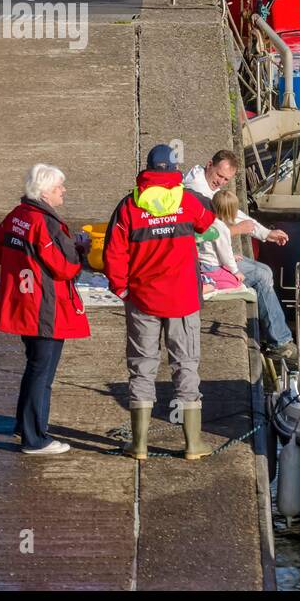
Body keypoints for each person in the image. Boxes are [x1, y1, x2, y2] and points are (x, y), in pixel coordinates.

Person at [103, 145, 217, 461]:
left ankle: (139, 445)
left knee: (141, 369)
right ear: (174, 169)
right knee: (186, 366)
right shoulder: (187, 201)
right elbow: (208, 222)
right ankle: (192, 444)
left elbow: (113, 253)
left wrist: (122, 290)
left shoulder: (129, 207)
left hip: (142, 300)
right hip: (183, 300)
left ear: (148, 169)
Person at [0, 164, 91, 454]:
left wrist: (22, 264)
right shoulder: (45, 223)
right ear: (45, 192)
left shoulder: (17, 215)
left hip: (22, 303)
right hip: (45, 308)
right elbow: (64, 267)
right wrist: (80, 251)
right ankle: (35, 438)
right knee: (42, 372)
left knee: (34, 365)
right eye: (60, 187)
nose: (64, 191)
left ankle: (25, 425)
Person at [183, 150, 299, 367]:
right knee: (262, 274)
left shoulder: (204, 184)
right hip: (202, 262)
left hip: (207, 257)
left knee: (261, 270)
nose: (221, 182)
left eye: (226, 179)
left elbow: (228, 212)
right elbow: (210, 232)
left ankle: (277, 335)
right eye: (219, 175)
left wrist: (264, 233)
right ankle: (280, 342)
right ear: (209, 164)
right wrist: (237, 232)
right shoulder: (196, 192)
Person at [197, 190, 246, 296]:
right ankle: (206, 282)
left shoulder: (206, 219)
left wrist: (232, 257)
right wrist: (235, 271)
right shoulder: (221, 228)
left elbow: (213, 249)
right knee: (235, 283)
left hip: (200, 263)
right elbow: (225, 254)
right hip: (210, 266)